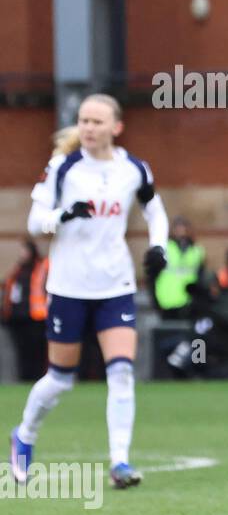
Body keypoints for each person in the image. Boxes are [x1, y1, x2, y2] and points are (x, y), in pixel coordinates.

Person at [9, 93, 168, 489]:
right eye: (83, 121)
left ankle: (120, 463)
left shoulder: (133, 169)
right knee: (61, 378)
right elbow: (34, 223)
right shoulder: (64, 167)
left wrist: (159, 246)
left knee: (122, 371)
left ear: (116, 127)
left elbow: (154, 210)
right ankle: (24, 435)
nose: (88, 128)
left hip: (115, 285)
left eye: (97, 122)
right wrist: (64, 215)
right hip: (69, 287)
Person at [1, 240, 49, 382]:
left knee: (38, 352)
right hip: (18, 318)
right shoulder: (18, 269)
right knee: (23, 352)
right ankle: (25, 378)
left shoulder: (42, 266)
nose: (22, 254)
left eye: (24, 250)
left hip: (37, 318)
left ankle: (39, 378)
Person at [151, 216, 206, 319]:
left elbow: (200, 276)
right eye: (178, 228)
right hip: (167, 300)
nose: (181, 232)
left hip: (189, 302)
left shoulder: (197, 250)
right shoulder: (164, 248)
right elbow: (152, 276)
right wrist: (154, 300)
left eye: (184, 228)